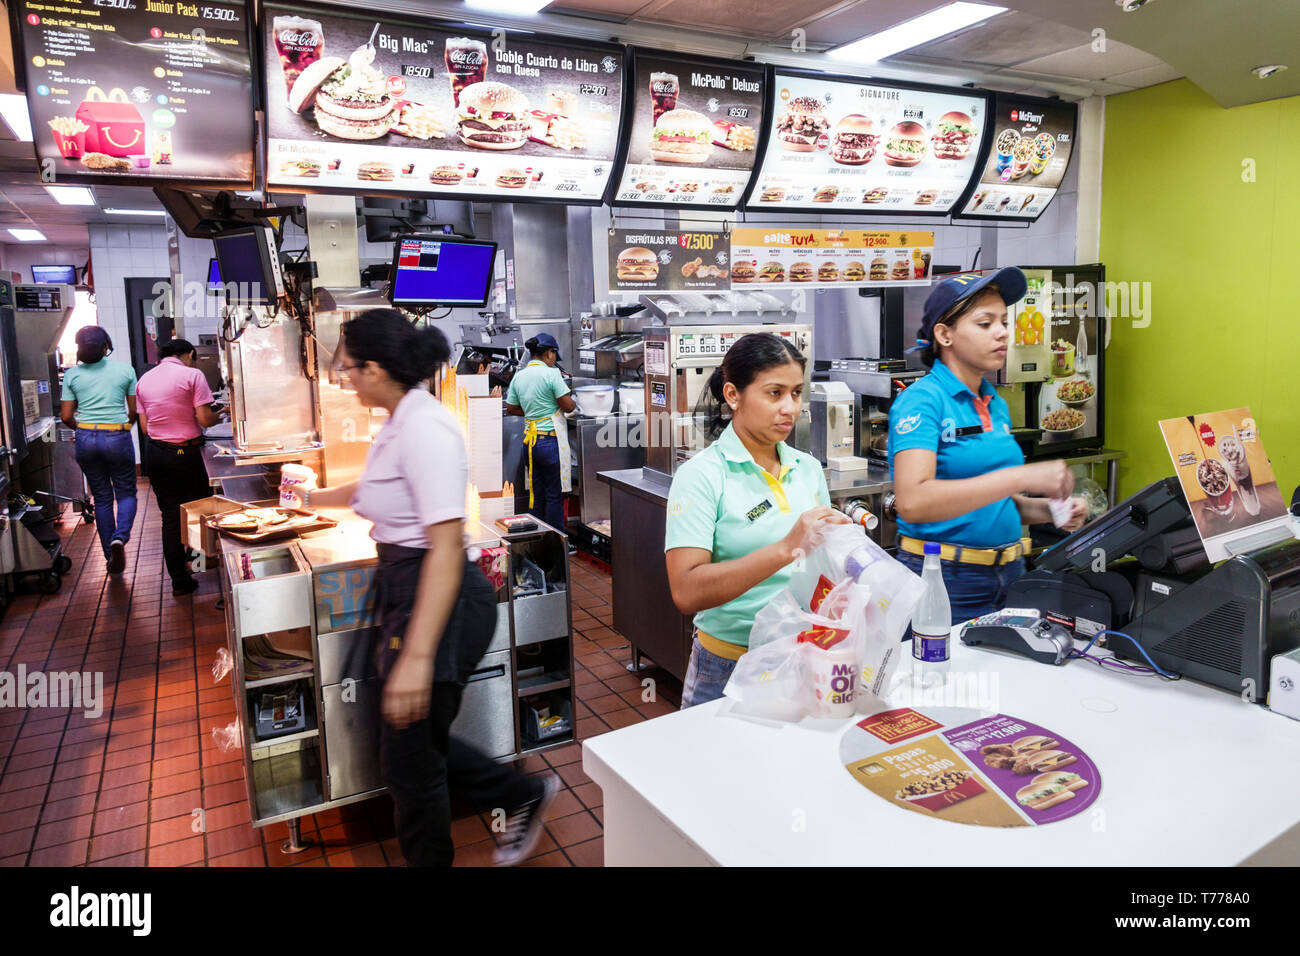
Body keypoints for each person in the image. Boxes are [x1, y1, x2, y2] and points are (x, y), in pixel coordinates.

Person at [308, 309, 555, 867]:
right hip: (409, 586)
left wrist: (418, 658)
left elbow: (445, 546)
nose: (344, 378)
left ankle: (518, 794)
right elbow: (372, 486)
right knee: (414, 747)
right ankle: (518, 792)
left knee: (410, 765)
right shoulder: (399, 419)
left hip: (439, 593)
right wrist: (306, 499)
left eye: (348, 368)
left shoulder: (425, 425)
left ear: (375, 368)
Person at [889, 268, 1089, 625]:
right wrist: (1020, 475)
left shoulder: (993, 401)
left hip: (1010, 574)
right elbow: (913, 503)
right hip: (946, 580)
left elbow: (992, 503)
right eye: (985, 324)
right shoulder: (922, 401)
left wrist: (1048, 511)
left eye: (1003, 321)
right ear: (944, 335)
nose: (1003, 332)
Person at [664, 333, 849, 708]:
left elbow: (822, 566)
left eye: (796, 393)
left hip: (803, 656)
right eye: (774, 393)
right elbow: (685, 591)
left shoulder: (807, 468)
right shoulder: (702, 476)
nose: (790, 408)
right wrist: (786, 548)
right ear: (733, 395)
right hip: (729, 666)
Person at [136, 338, 222, 598]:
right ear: (190, 354)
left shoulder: (144, 380)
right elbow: (205, 418)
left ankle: (179, 581)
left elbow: (144, 426)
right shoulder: (192, 374)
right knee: (199, 508)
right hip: (187, 453)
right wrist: (221, 413)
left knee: (170, 516)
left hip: (157, 453)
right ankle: (198, 561)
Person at [59, 326, 138, 575]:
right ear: (106, 346)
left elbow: (65, 416)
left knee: (102, 497)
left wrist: (82, 429)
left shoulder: (72, 375)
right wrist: (125, 425)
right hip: (116, 435)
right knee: (126, 493)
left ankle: (109, 555)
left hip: (85, 437)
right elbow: (134, 410)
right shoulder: (125, 370)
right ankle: (120, 537)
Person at [504, 334, 576, 534]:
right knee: (555, 494)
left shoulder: (519, 375)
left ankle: (537, 538)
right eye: (554, 353)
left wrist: (533, 413)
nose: (554, 358)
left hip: (531, 443)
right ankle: (556, 541)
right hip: (550, 443)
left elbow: (511, 408)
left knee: (536, 493)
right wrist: (574, 403)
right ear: (548, 353)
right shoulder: (552, 374)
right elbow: (568, 405)